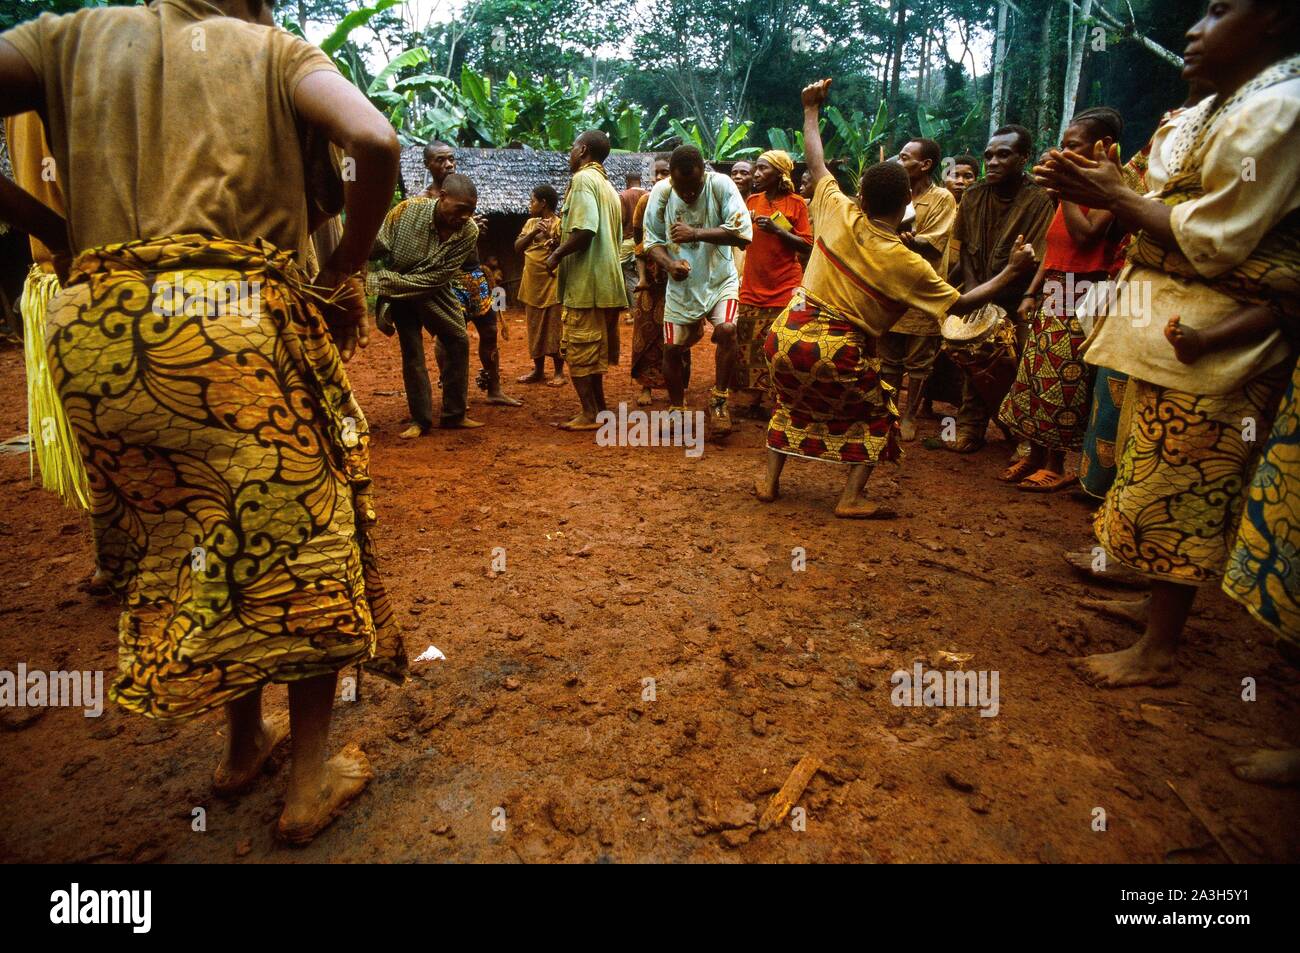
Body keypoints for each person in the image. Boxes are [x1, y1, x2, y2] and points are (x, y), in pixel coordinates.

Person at [0, 0, 406, 844]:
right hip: (230, 330)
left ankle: (240, 741)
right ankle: (306, 784)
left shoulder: (62, 38)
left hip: (99, 337)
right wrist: (340, 275)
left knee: (202, 535)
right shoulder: (271, 50)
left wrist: (54, 228)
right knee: (306, 551)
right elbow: (377, 143)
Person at [1035, 0, 1300, 690]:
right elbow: (1149, 208)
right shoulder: (1217, 107)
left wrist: (1116, 198)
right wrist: (1113, 193)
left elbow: (1213, 241)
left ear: (1274, 17)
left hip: (1213, 335)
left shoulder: (1282, 107)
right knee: (1148, 468)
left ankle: (1160, 650)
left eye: (1217, 11)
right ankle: (1153, 608)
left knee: (1186, 482)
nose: (1194, 29)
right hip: (1164, 322)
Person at [755, 79, 1037, 517]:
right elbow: (961, 305)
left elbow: (816, 159)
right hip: (835, 348)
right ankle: (850, 498)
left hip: (784, 335)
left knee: (790, 402)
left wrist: (810, 110)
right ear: (908, 201)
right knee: (878, 414)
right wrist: (1013, 271)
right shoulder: (906, 263)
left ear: (861, 195)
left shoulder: (835, 208)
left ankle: (769, 481)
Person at [997, 108, 1125, 490]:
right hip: (1054, 290)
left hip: (1085, 292)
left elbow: (1086, 237)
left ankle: (1056, 463)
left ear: (1102, 147)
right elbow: (1053, 249)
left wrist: (1067, 191)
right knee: (1034, 377)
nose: (1063, 152)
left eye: (1073, 146)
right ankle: (1034, 455)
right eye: (1063, 145)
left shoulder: (1109, 191)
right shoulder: (1067, 195)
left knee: (1064, 382)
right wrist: (1032, 292)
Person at [946, 125, 1055, 453]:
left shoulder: (1038, 199)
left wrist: (1018, 293)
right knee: (973, 359)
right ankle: (969, 426)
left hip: (1020, 295)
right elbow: (964, 247)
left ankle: (1025, 436)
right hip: (979, 288)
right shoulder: (974, 195)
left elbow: (1036, 258)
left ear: (1023, 158)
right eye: (989, 155)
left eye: (1003, 155)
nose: (992, 162)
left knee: (1022, 363)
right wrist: (975, 288)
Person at [643, 144, 753, 437]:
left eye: (694, 188)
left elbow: (744, 233)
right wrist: (669, 264)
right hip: (682, 287)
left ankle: (719, 402)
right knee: (671, 348)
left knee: (728, 330)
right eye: (682, 189)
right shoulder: (662, 192)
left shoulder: (721, 185)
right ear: (672, 181)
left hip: (720, 279)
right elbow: (651, 242)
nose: (689, 195)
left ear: (704, 173)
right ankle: (677, 408)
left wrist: (696, 233)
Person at [371, 175, 483, 435]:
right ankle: (420, 421)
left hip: (435, 291)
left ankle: (454, 414)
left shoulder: (469, 231)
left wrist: (383, 281)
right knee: (413, 352)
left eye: (471, 211)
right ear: (442, 197)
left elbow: (437, 278)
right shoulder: (407, 211)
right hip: (401, 296)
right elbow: (376, 246)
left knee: (458, 340)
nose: (466, 216)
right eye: (461, 209)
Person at [422, 142, 521, 408]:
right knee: (449, 337)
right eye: (441, 160)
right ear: (427, 165)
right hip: (448, 279)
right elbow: (428, 244)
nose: (449, 165)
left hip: (474, 275)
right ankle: (453, 393)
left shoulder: (462, 191)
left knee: (489, 331)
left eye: (451, 159)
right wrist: (464, 231)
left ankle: (494, 389)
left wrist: (475, 231)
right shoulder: (424, 202)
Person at [878, 137, 958, 441]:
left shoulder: (942, 199)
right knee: (888, 358)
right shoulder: (894, 195)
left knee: (919, 360)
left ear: (925, 165)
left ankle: (909, 414)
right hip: (890, 288)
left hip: (923, 290)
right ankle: (890, 413)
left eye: (904, 158)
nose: (899, 163)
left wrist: (909, 239)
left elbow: (934, 243)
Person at [546, 130, 626, 430]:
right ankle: (600, 408)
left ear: (582, 151)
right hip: (606, 283)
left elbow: (585, 230)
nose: (569, 154)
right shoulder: (606, 185)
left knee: (579, 351)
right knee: (593, 351)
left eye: (571, 148)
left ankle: (590, 413)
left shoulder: (582, 181)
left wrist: (555, 257)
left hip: (587, 283)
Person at [734, 150, 812, 419]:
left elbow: (807, 244)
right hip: (753, 284)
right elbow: (738, 236)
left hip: (786, 285)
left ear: (780, 174)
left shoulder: (796, 204)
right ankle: (754, 397)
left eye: (762, 169)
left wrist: (779, 231)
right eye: (756, 168)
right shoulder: (752, 201)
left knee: (783, 344)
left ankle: (783, 400)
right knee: (748, 342)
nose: (756, 174)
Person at [631, 155, 671, 406]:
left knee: (675, 334)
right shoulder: (645, 201)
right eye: (655, 173)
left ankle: (674, 385)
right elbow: (638, 240)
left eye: (664, 172)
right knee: (646, 332)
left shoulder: (684, 202)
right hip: (652, 279)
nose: (658, 178)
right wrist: (644, 275)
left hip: (678, 279)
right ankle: (646, 386)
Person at [515, 183, 565, 386]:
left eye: (532, 200)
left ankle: (559, 372)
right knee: (534, 327)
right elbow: (517, 247)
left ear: (543, 203)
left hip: (552, 283)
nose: (530, 204)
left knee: (555, 327)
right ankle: (538, 370)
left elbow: (564, 251)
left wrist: (553, 241)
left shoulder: (560, 224)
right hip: (532, 284)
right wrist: (533, 232)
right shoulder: (530, 224)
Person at [619, 172, 647, 325]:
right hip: (644, 242)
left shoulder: (624, 196)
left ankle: (627, 308)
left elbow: (622, 220)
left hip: (628, 240)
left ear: (627, 182)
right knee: (639, 276)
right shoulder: (648, 194)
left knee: (621, 272)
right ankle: (637, 311)